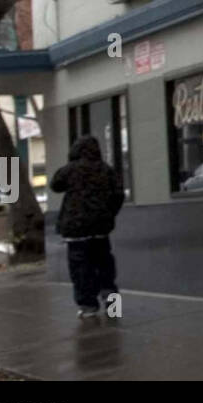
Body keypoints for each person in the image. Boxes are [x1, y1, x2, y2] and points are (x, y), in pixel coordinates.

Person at [50, 135, 124, 318]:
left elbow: (55, 185)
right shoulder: (106, 170)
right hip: (100, 227)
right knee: (105, 266)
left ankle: (88, 305)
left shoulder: (70, 170)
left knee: (80, 268)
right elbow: (118, 195)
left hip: (76, 229)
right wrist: (109, 214)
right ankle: (114, 305)